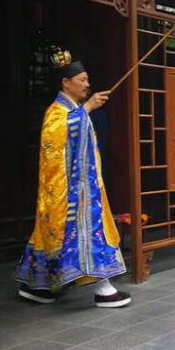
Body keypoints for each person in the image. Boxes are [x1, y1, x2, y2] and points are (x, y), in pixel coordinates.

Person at [15, 49, 130, 308]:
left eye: (87, 80)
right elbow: (55, 139)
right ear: (66, 83)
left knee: (56, 237)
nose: (87, 84)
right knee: (84, 234)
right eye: (83, 79)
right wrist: (87, 109)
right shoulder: (56, 112)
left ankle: (40, 288)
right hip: (69, 191)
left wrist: (86, 111)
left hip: (83, 186)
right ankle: (103, 287)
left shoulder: (74, 110)